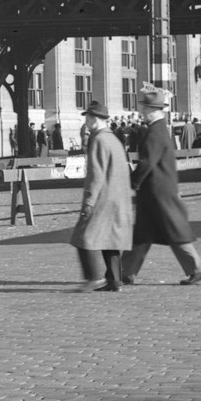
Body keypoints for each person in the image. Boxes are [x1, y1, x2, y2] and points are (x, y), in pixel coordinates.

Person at [122, 86, 201, 286]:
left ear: (152, 110)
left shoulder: (155, 131)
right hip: (156, 192)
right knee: (143, 234)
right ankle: (126, 271)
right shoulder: (160, 129)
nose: (142, 112)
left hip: (157, 193)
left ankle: (197, 269)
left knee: (174, 233)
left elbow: (147, 162)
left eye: (144, 108)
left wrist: (132, 182)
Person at [70, 101, 134, 292]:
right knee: (110, 239)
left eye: (88, 118)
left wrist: (88, 202)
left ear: (94, 119)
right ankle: (114, 280)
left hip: (103, 199)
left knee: (82, 237)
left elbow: (95, 174)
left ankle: (94, 277)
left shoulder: (98, 140)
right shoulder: (114, 139)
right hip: (118, 197)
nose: (86, 122)